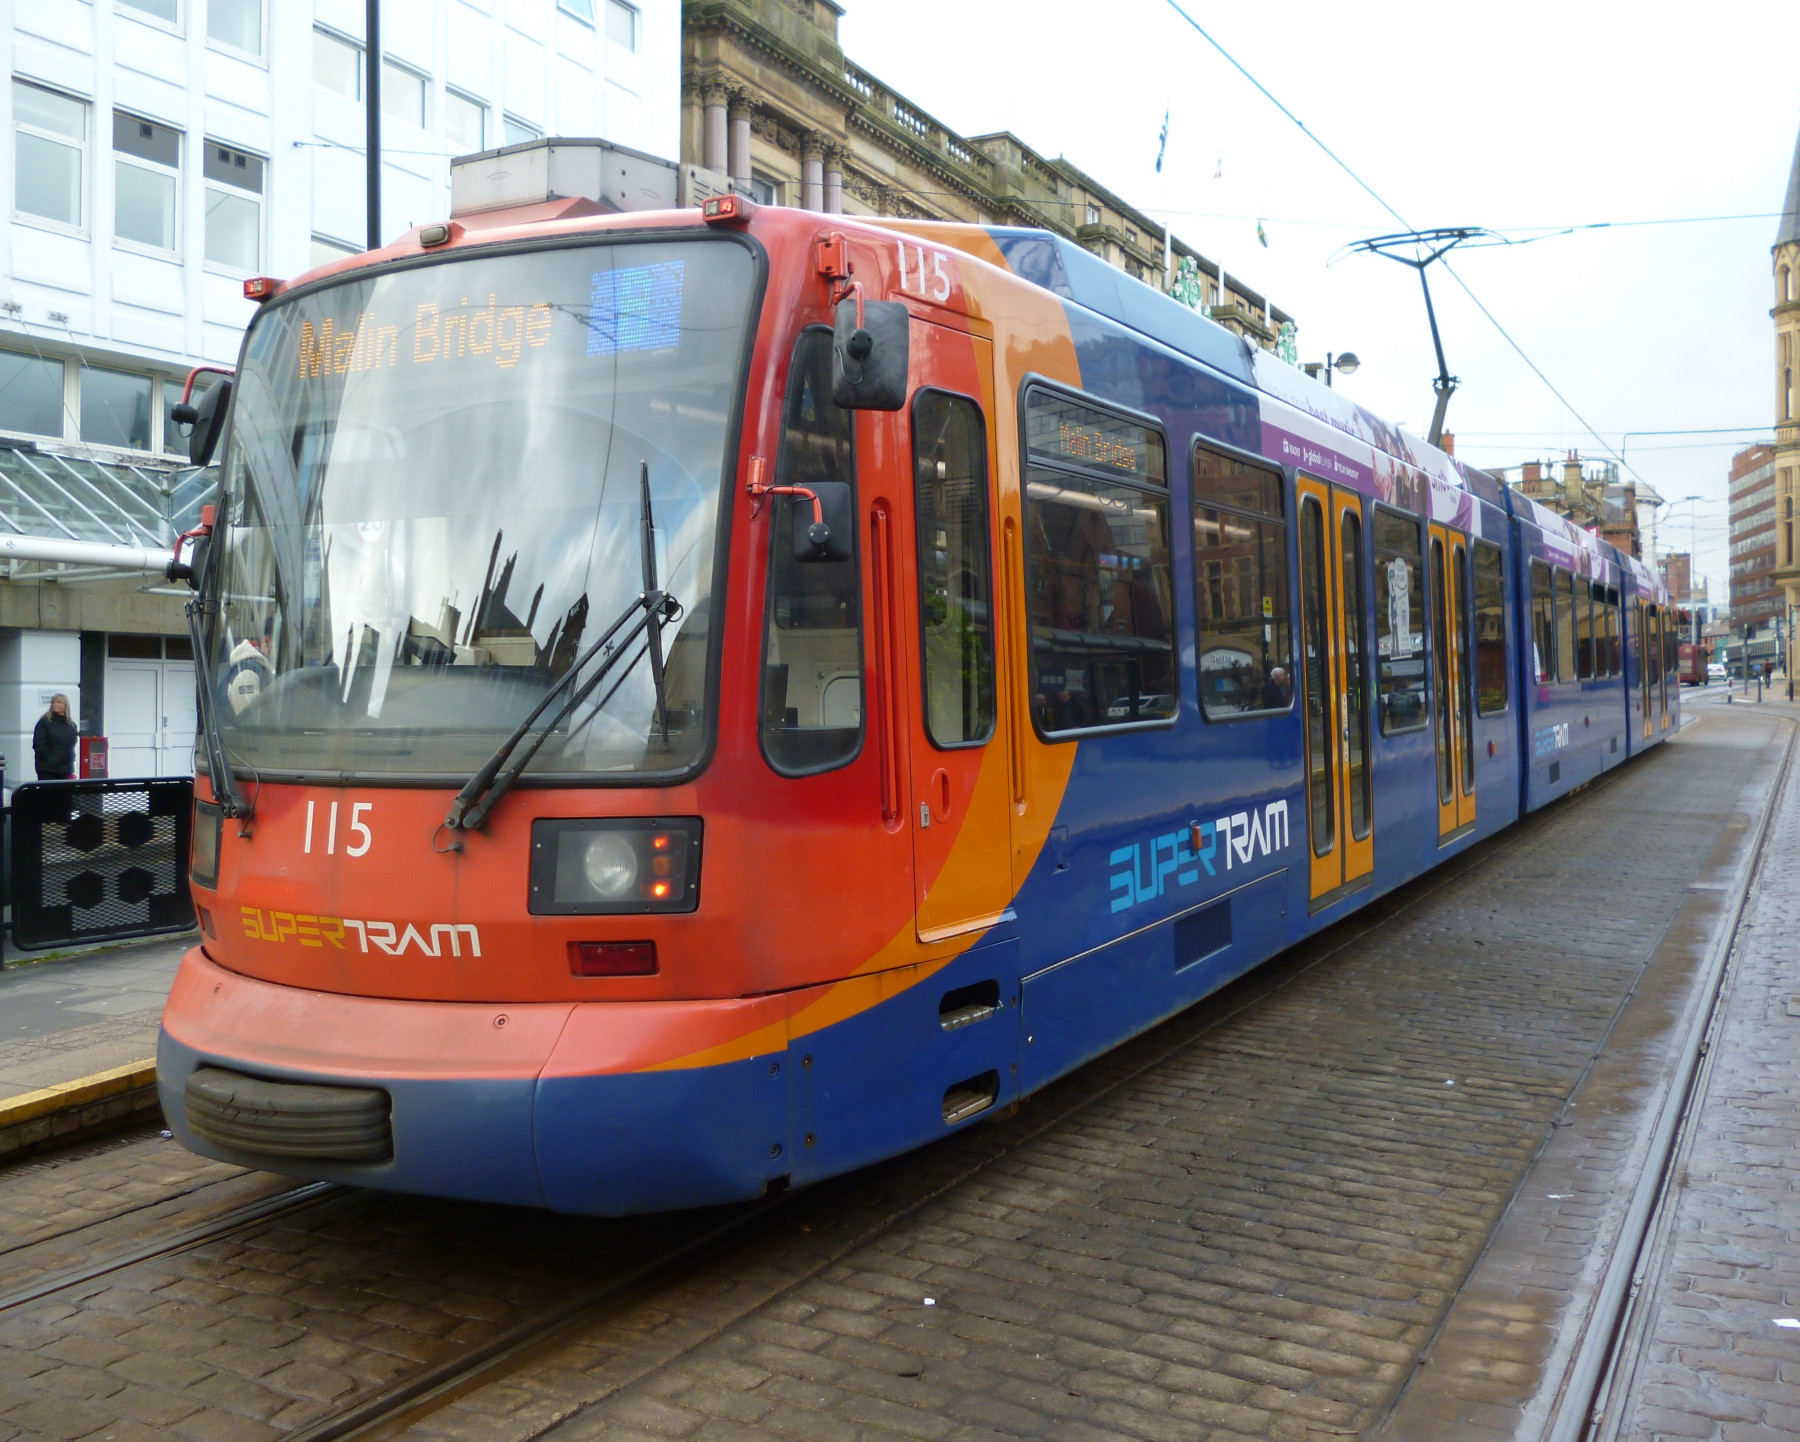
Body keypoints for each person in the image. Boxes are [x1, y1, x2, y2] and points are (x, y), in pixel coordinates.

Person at [32, 693, 78, 780]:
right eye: (53, 702)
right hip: (47, 769)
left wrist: (71, 760)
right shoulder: (44, 722)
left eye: (59, 702)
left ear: (66, 706)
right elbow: (38, 744)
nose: (55, 704)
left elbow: (71, 746)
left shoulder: (71, 725)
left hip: (65, 769)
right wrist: (50, 760)